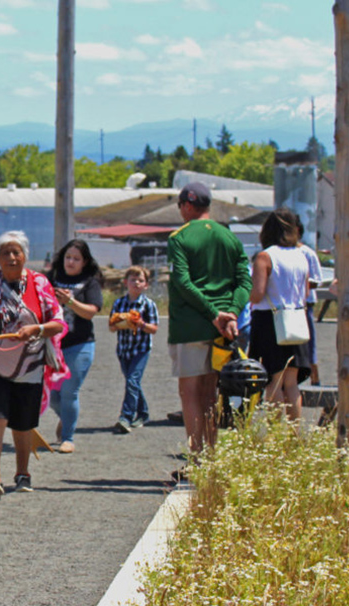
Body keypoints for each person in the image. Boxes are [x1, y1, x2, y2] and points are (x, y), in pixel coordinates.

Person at [0, 230, 67, 499]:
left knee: (23, 423)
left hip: (29, 364)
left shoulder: (39, 284)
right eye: (5, 253)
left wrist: (36, 329)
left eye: (16, 252)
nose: (11, 257)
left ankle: (22, 473)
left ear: (25, 256)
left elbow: (58, 322)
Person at [166, 181, 250, 458]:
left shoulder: (179, 238)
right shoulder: (229, 237)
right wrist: (232, 312)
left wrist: (212, 313)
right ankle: (212, 454)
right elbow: (244, 281)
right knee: (210, 392)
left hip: (190, 325)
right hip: (224, 330)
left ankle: (196, 454)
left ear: (186, 206)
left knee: (189, 392)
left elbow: (182, 282)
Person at [248, 208, 320, 419]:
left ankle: (276, 430)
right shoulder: (301, 255)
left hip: (269, 321)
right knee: (291, 383)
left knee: (273, 381)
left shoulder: (265, 257)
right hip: (296, 320)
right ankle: (293, 431)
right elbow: (305, 293)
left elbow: (257, 295)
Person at [46, 238, 104, 452]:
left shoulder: (90, 282)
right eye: (68, 257)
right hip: (53, 345)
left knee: (69, 392)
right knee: (53, 396)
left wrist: (70, 301)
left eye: (76, 259)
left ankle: (68, 438)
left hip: (80, 344)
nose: (70, 262)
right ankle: (67, 417)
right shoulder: (51, 278)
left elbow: (91, 312)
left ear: (84, 262)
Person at [109, 265, 158, 432]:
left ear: (146, 285)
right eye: (133, 280)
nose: (136, 283)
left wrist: (141, 324)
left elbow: (154, 329)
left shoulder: (148, 305)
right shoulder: (119, 303)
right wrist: (120, 322)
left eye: (140, 280)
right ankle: (143, 413)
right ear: (126, 282)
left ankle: (126, 417)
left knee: (132, 381)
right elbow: (111, 327)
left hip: (141, 350)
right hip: (124, 350)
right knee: (133, 383)